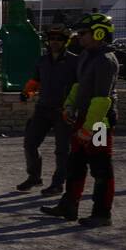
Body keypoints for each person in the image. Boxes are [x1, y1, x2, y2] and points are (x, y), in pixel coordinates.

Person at [41, 14, 120, 227]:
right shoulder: (87, 55)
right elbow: (79, 86)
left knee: (101, 167)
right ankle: (69, 205)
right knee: (75, 163)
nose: (79, 36)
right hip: (84, 117)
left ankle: (102, 213)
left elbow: (102, 100)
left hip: (100, 122)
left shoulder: (106, 61)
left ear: (99, 33)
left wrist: (89, 129)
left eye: (83, 33)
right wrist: (70, 105)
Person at [17, 24, 78, 195]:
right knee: (30, 143)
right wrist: (27, 93)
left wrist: (74, 107)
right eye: (52, 39)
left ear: (66, 42)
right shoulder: (42, 60)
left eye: (59, 39)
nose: (54, 42)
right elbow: (35, 81)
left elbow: (81, 86)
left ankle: (58, 183)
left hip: (63, 110)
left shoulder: (75, 61)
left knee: (62, 149)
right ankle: (34, 177)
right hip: (43, 108)